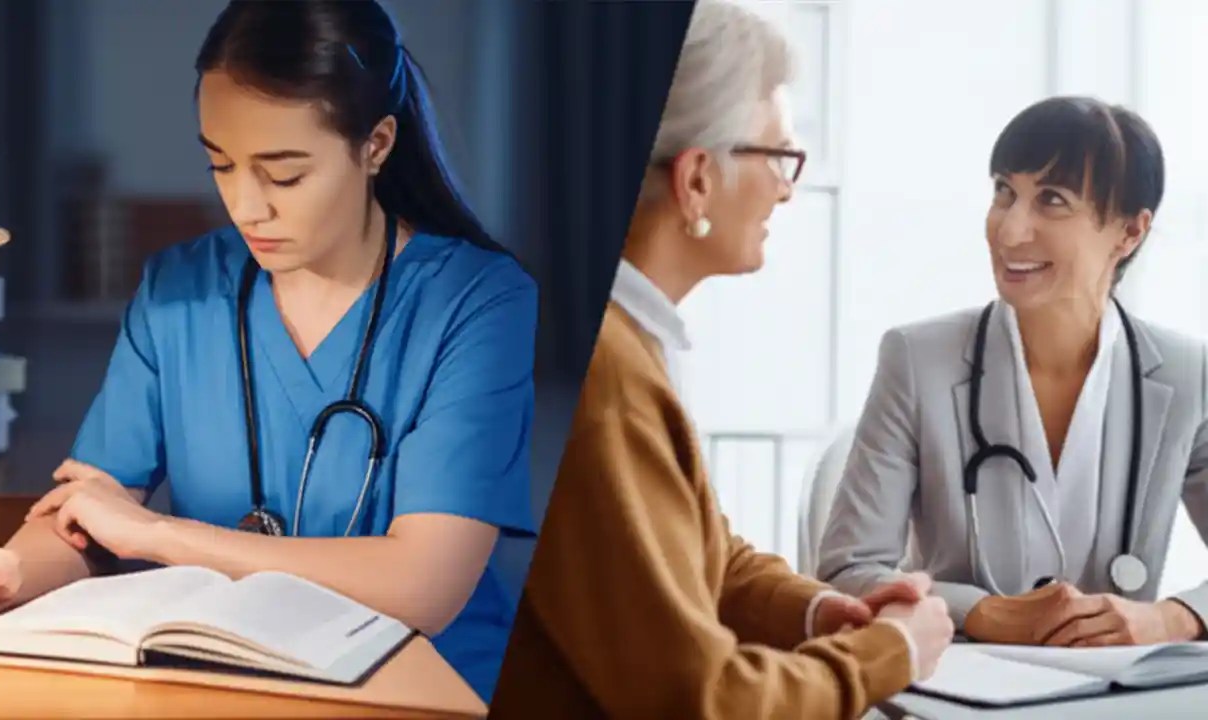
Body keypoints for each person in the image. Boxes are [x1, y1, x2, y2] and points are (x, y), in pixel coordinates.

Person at [0, 0, 536, 702]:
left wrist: (158, 534)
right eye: (221, 163)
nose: (246, 206)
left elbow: (423, 584)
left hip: (419, 682)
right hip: (217, 675)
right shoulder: (179, 290)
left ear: (376, 144)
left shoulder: (476, 300)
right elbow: (87, 511)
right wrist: (2, 573)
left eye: (284, 175)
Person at [490, 2, 953, 718]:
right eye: (778, 157)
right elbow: (701, 701)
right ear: (698, 179)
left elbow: (699, 557)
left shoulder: (625, 341)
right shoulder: (607, 379)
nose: (787, 188)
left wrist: (818, 611)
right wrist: (890, 653)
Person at [818, 96, 1208, 649]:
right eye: (1004, 192)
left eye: (1052, 200)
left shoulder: (1188, 377)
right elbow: (846, 570)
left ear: (1129, 232)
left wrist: (1171, 619)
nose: (1009, 230)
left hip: (1116, 689)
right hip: (960, 681)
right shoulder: (918, 360)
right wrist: (984, 612)